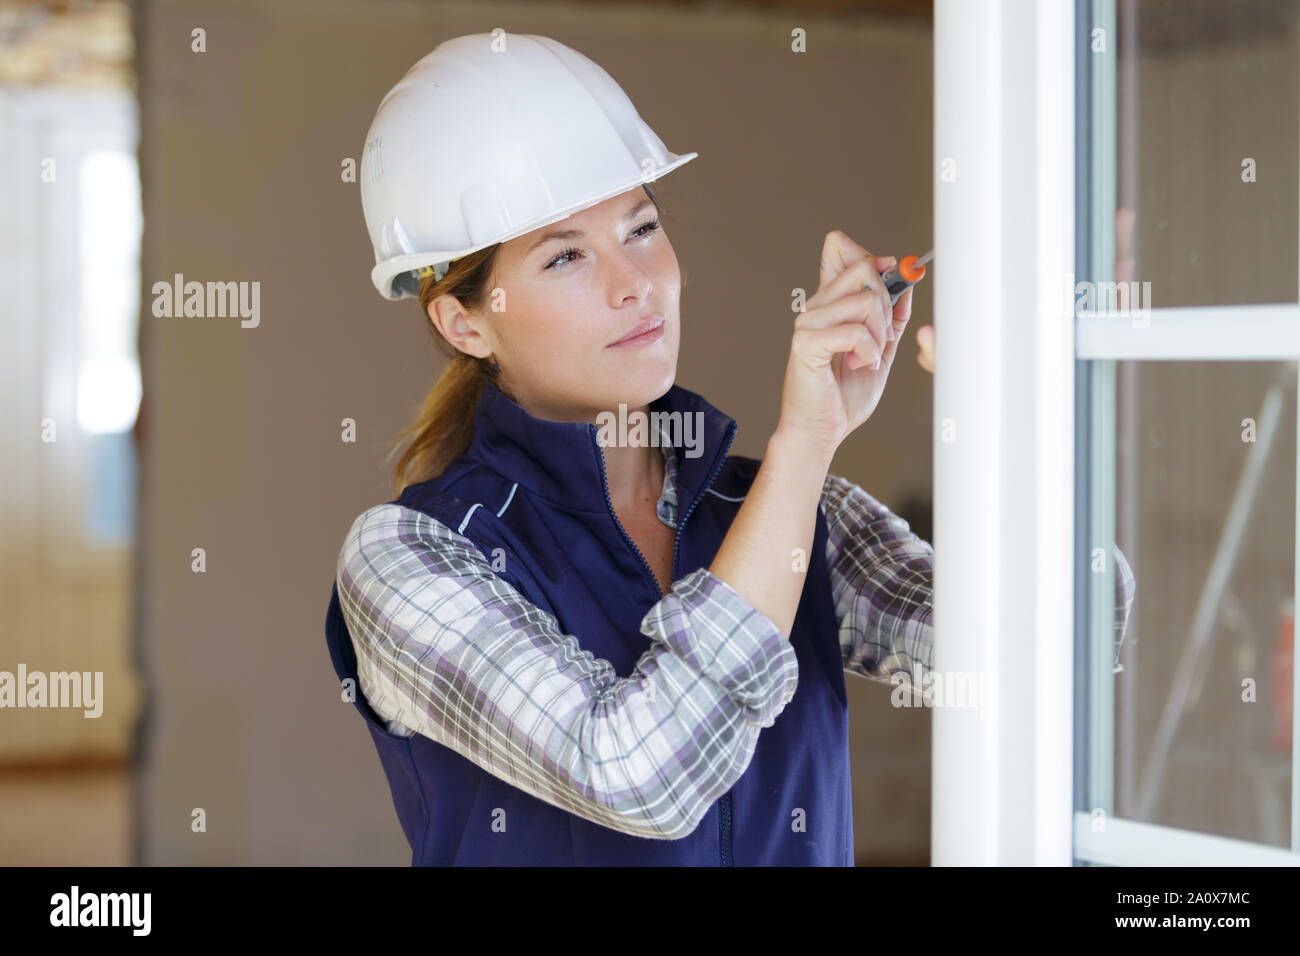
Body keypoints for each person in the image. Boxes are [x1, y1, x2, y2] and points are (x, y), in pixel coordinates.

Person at [324, 32, 1134, 866]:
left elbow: (1055, 651)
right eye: (566, 255)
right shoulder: (411, 558)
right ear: (465, 321)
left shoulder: (786, 509)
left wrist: (1025, 407)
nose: (633, 281)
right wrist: (806, 440)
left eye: (640, 227)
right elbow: (638, 777)